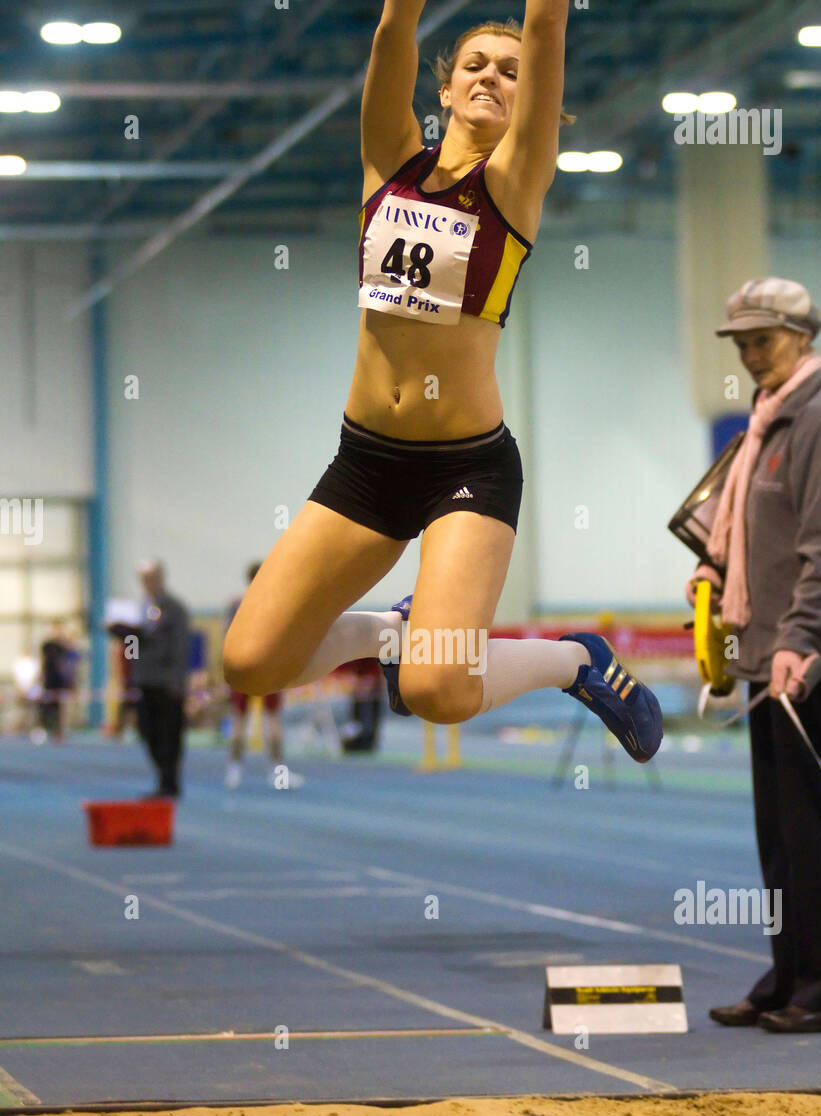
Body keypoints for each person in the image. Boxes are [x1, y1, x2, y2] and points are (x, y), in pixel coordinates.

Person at [223, 0, 662, 766]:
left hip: (467, 469)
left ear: (532, 99)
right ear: (446, 89)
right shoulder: (390, 163)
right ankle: (388, 634)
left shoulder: (515, 181)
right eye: (475, 65)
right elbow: (393, 28)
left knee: (439, 692)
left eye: (511, 72)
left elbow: (547, 25)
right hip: (366, 464)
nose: (491, 77)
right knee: (250, 663)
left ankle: (575, 661)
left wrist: (538, 36)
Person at [685, 277, 821, 1033]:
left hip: (808, 660)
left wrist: (800, 641)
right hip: (765, 657)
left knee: (816, 830)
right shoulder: (767, 421)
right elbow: (750, 534)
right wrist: (713, 569)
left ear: (802, 337)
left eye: (763, 340)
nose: (751, 354)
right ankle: (790, 977)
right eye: (743, 343)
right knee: (782, 834)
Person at [113, 561, 190, 798]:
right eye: (144, 579)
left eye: (151, 578)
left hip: (166, 682)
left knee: (169, 733)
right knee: (147, 730)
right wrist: (126, 638)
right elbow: (133, 648)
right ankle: (162, 776)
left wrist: (177, 680)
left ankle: (169, 783)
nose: (148, 583)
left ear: (161, 578)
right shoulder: (141, 608)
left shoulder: (174, 608)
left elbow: (180, 646)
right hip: (144, 679)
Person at [224, 564, 303, 789]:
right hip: (268, 666)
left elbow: (226, 637)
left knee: (240, 720)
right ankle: (277, 773)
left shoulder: (236, 604)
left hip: (242, 665)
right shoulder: (277, 603)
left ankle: (234, 771)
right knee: (272, 720)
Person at [39, 619, 77, 740]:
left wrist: (71, 681)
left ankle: (59, 731)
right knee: (46, 706)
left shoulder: (64, 646)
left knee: (60, 707)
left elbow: (71, 662)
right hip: (49, 680)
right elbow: (43, 662)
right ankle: (44, 728)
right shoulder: (47, 645)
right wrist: (41, 677)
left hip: (61, 681)